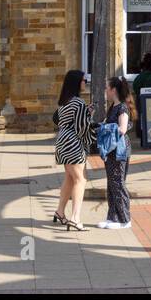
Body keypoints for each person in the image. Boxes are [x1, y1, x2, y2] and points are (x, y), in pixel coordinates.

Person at [52, 70, 94, 231]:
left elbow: (67, 120)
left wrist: (85, 113)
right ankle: (75, 218)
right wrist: (89, 116)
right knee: (80, 180)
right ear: (77, 82)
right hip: (73, 143)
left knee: (70, 178)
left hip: (62, 141)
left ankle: (60, 212)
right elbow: (81, 127)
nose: (85, 83)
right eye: (84, 80)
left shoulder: (65, 101)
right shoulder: (78, 102)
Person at [97, 76, 134, 229]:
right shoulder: (113, 106)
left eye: (107, 87)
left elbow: (123, 129)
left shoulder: (122, 108)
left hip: (119, 151)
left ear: (113, 90)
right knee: (111, 184)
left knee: (118, 183)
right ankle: (112, 217)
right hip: (111, 150)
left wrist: (105, 128)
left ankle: (125, 220)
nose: (105, 90)